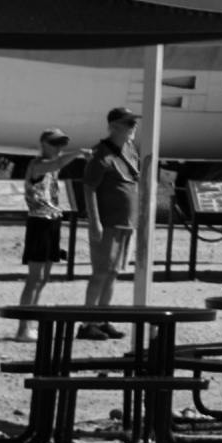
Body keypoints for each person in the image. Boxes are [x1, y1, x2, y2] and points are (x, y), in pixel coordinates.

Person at [69, 109, 139, 309]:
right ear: (114, 126)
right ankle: (88, 321)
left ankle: (103, 317)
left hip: (127, 222)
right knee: (101, 272)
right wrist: (95, 222)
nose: (134, 127)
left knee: (114, 272)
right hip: (108, 223)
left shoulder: (130, 150)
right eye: (129, 123)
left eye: (133, 123)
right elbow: (89, 188)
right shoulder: (101, 154)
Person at [15, 131, 74, 288]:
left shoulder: (52, 165)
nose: (58, 148)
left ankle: (35, 310)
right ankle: (26, 311)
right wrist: (79, 153)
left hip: (53, 220)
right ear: (43, 144)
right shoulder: (38, 165)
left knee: (44, 279)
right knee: (35, 278)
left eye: (61, 144)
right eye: (55, 144)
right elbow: (58, 163)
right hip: (39, 222)